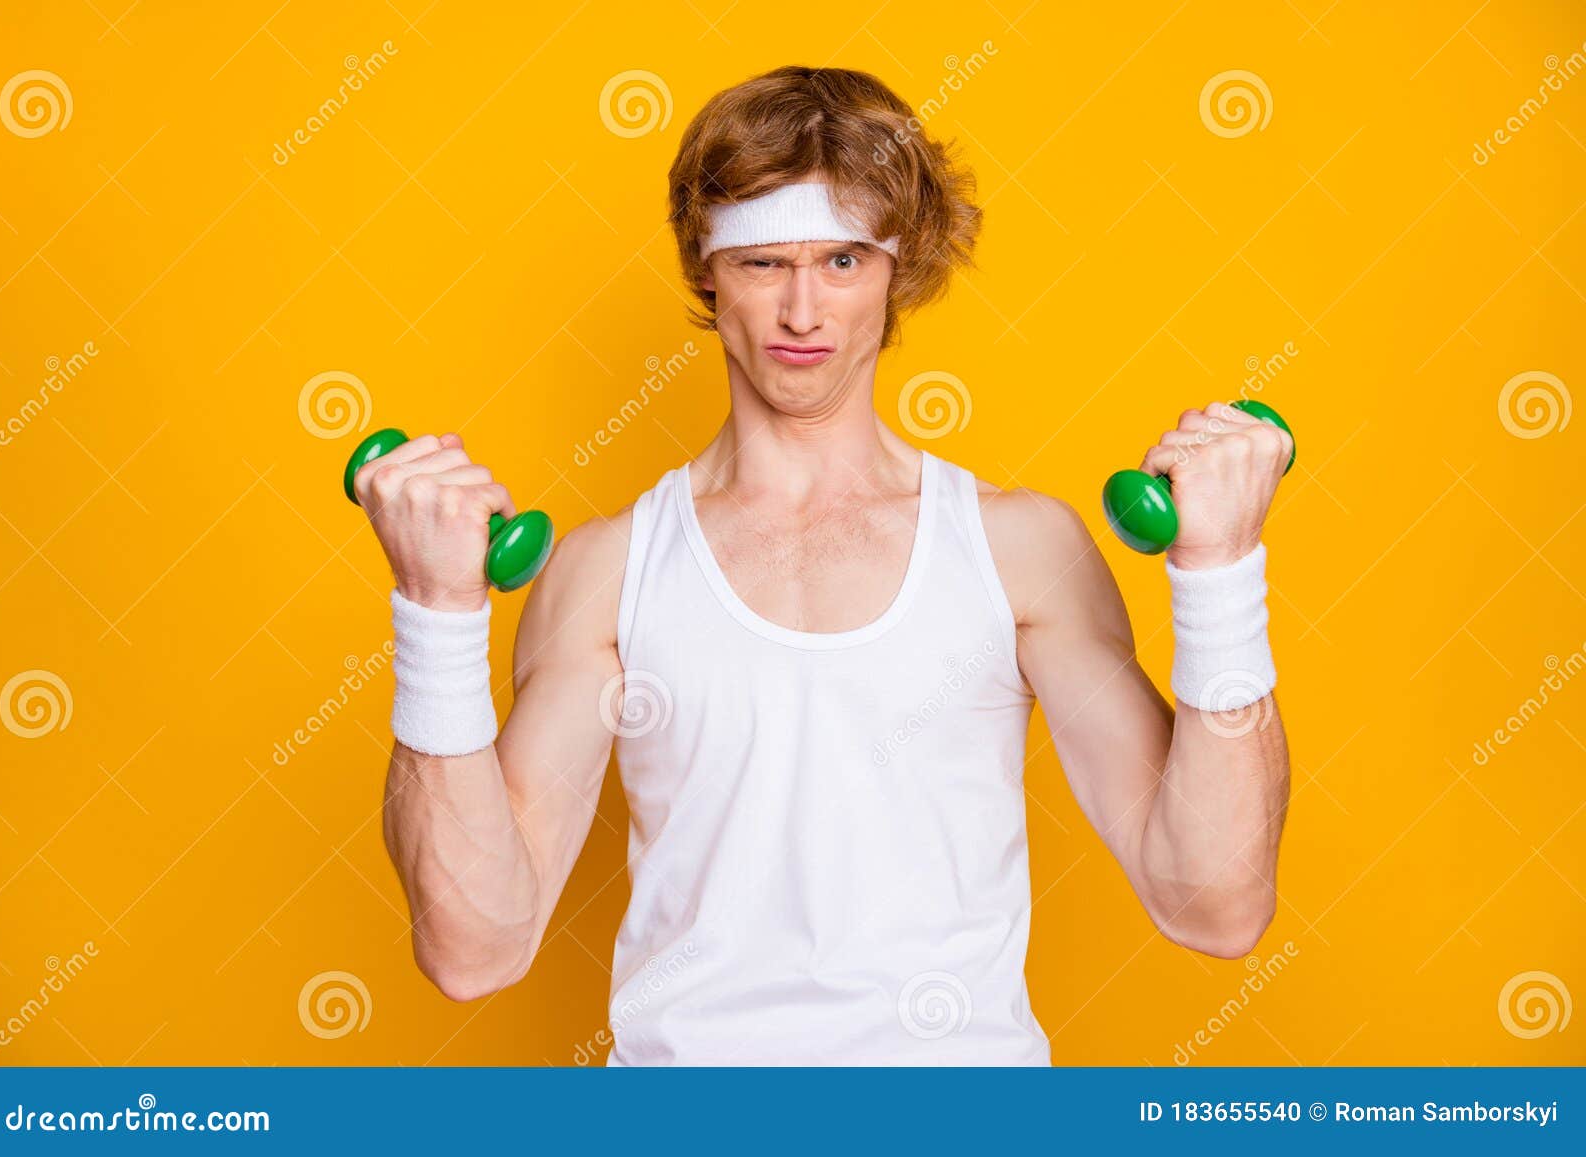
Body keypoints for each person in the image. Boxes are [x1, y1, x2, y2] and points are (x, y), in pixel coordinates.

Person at [353, 65, 1293, 1065]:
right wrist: (439, 612)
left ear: (901, 267)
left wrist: (1221, 574)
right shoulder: (606, 570)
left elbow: (1216, 905)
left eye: (843, 259)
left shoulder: (1018, 548)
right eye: (763, 263)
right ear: (707, 269)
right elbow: (472, 949)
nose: (803, 310)